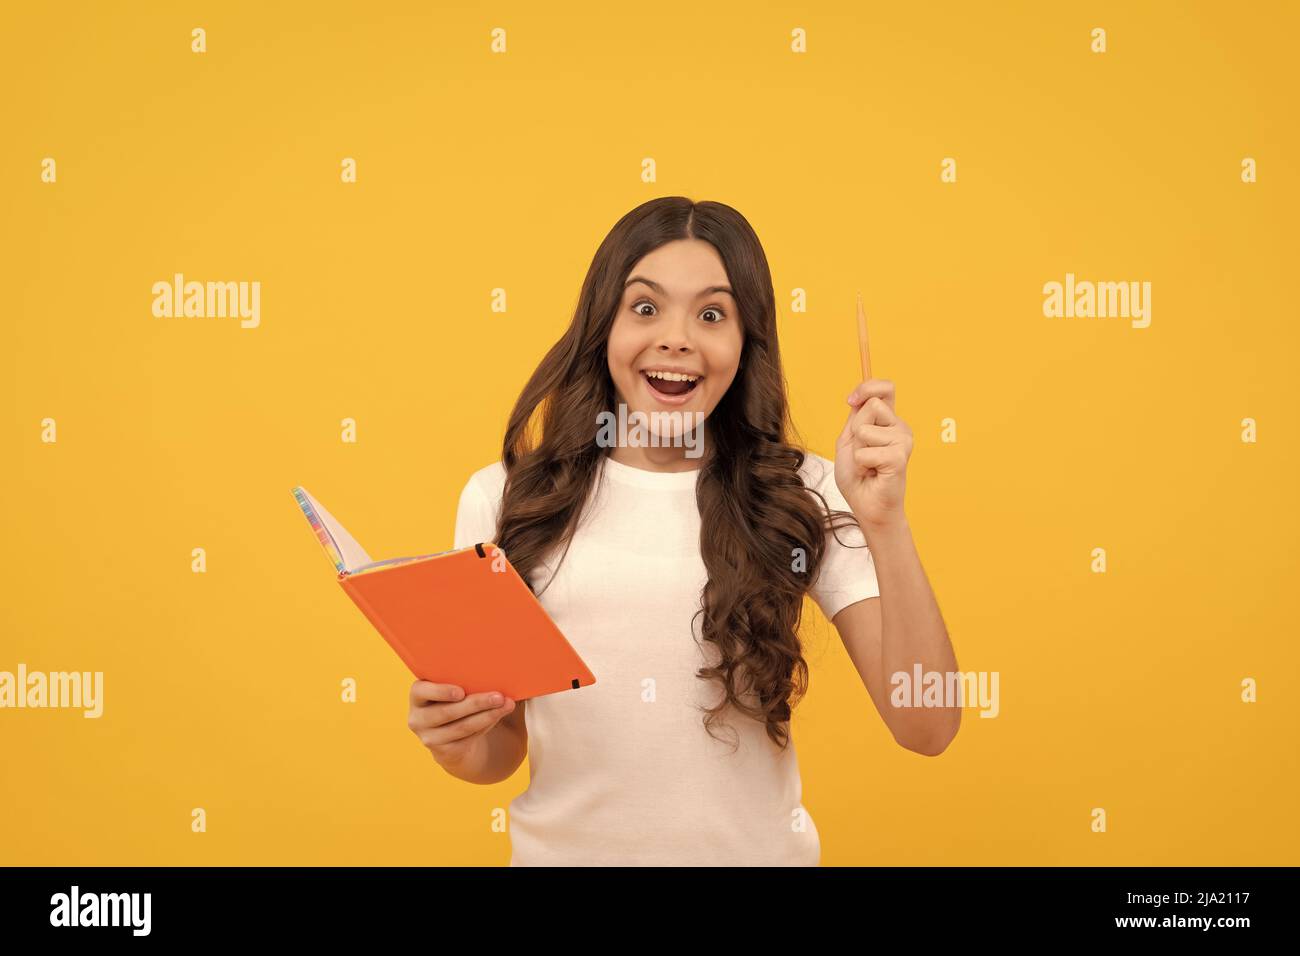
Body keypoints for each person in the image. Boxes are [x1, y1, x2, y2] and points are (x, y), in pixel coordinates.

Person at [407, 196, 959, 865]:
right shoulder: (505, 500)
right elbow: (502, 752)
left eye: (711, 314)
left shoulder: (807, 489)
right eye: (645, 308)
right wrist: (458, 742)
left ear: (744, 343)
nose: (676, 337)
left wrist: (886, 524)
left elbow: (927, 725)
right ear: (602, 327)